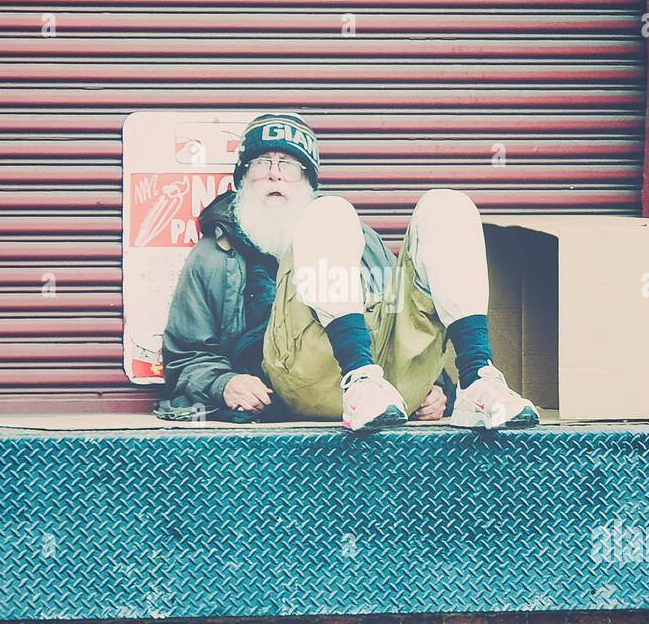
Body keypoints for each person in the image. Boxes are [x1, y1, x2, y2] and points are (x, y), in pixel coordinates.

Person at [157, 112, 539, 433]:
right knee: (330, 212)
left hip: (384, 391)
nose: (274, 174)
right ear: (242, 179)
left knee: (447, 205)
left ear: (308, 180)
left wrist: (438, 387)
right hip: (300, 387)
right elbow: (184, 358)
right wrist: (225, 384)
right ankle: (359, 376)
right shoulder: (213, 255)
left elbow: (400, 322)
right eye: (261, 163)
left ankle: (477, 378)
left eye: (288, 164)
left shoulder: (361, 240)